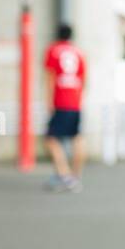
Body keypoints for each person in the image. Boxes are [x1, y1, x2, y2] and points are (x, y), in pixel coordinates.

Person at [43, 23, 87, 192]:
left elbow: (50, 78)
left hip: (60, 101)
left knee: (51, 139)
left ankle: (65, 175)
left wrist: (49, 101)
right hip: (75, 101)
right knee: (76, 137)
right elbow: (85, 79)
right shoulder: (79, 53)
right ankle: (75, 175)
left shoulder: (53, 51)